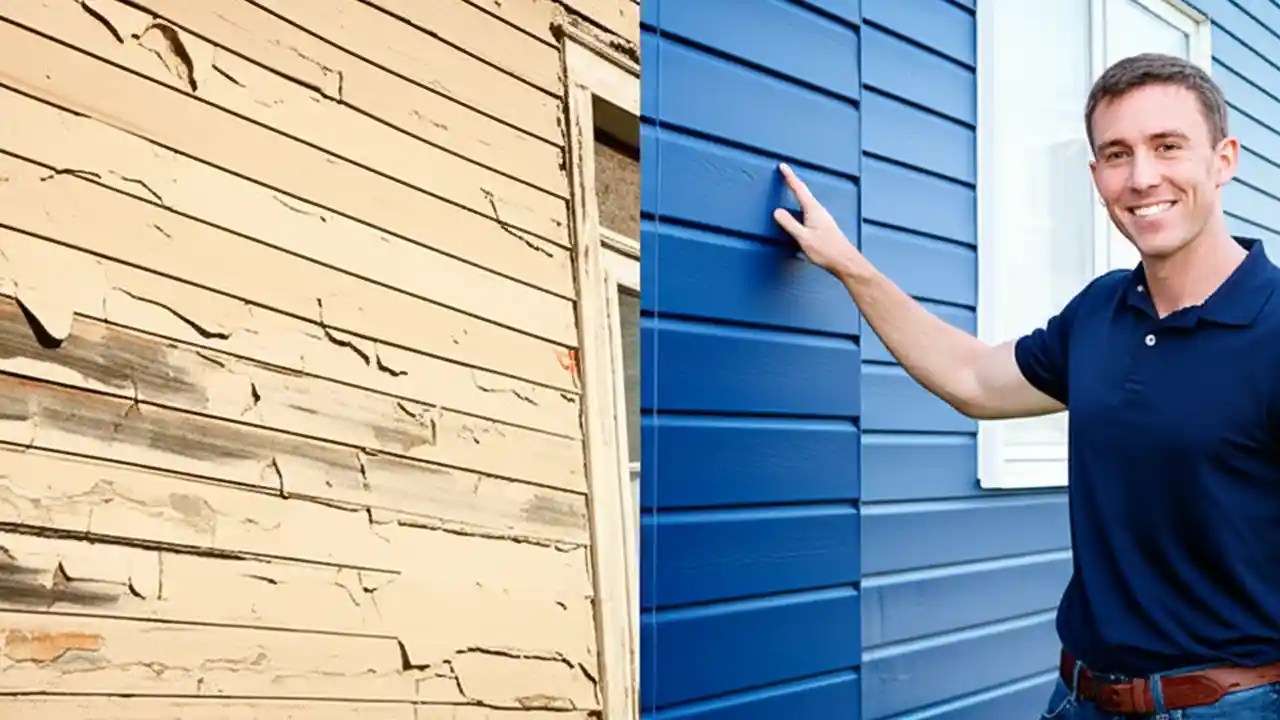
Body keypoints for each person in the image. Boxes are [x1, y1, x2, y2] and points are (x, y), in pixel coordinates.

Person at [774, 53, 1280, 719]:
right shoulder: (1100, 312)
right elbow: (974, 378)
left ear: (1224, 159)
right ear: (1097, 174)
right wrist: (848, 266)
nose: (1142, 176)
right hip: (1079, 697)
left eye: (1168, 147)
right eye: (1117, 154)